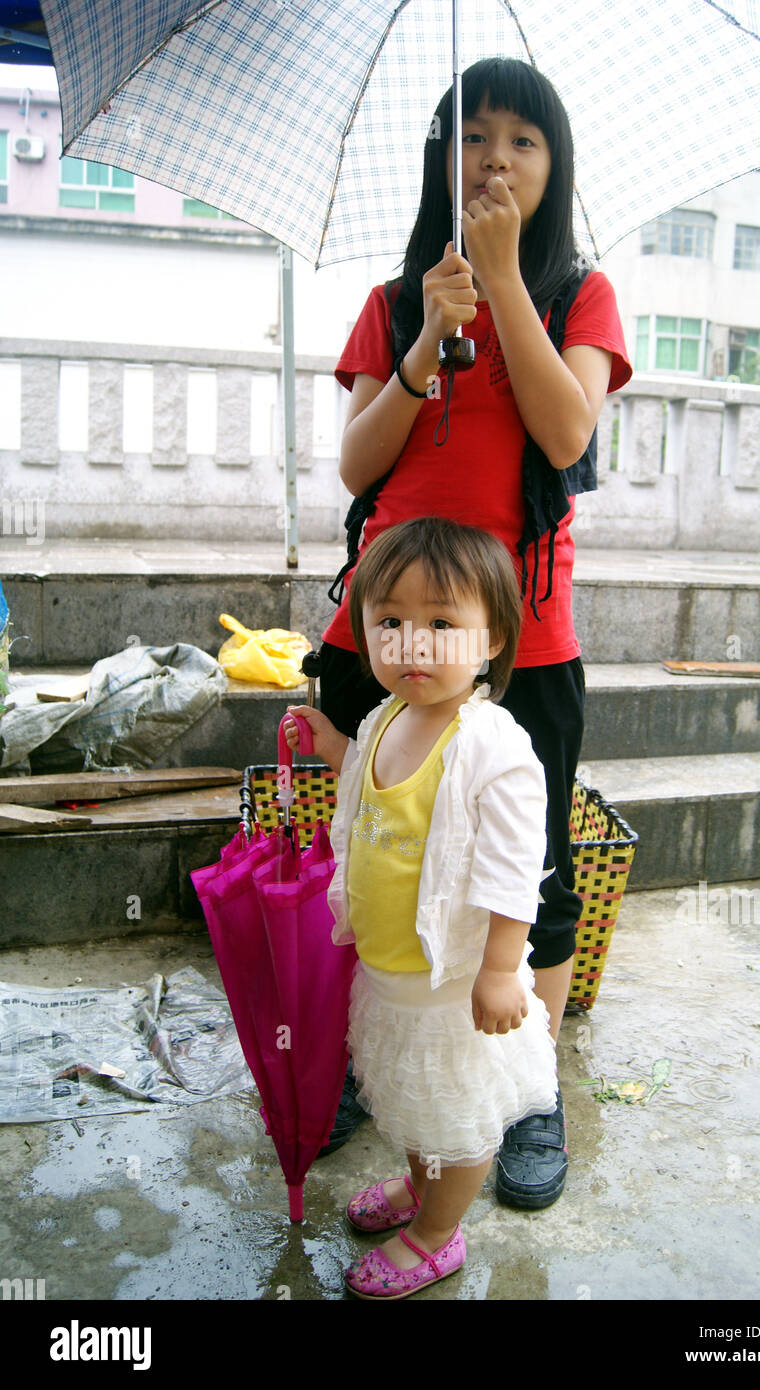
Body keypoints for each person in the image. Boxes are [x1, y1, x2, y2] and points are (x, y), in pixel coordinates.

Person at [317, 57, 632, 1208]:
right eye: (474, 134)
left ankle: (524, 1090)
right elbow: (357, 462)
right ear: (440, 156)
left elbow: (564, 437)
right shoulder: (399, 297)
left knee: (525, 877)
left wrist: (503, 287)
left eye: (524, 140)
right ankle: (374, 1059)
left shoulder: (577, 296)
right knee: (381, 853)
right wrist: (423, 339)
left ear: (555, 168)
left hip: (522, 646)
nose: (496, 157)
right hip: (386, 631)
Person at [284, 517, 557, 1299]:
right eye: (391, 621)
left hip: (453, 990)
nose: (413, 643)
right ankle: (418, 1185)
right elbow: (367, 786)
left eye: (442, 623)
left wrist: (503, 969)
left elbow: (513, 869)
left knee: (455, 1113)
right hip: (389, 972)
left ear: (493, 638)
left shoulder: (492, 747)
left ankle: (439, 1232)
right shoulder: (384, 721)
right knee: (408, 1099)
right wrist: (332, 741)